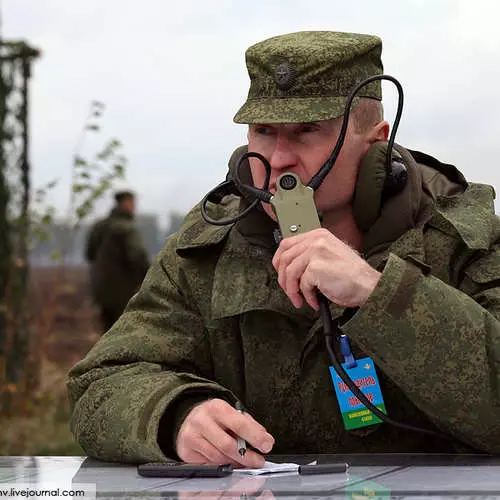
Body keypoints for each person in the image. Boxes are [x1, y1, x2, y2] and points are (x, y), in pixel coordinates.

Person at [68, 31, 500, 466]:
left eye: (306, 131)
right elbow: (101, 383)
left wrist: (381, 294)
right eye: (264, 131)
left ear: (376, 140)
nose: (278, 159)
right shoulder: (204, 254)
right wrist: (175, 416)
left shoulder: (463, 240)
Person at [85, 190, 150, 331]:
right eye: (133, 204)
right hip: (123, 293)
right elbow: (138, 257)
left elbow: (89, 254)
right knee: (124, 333)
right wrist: (150, 278)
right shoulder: (127, 228)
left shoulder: (99, 226)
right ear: (126, 203)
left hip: (101, 290)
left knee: (107, 332)